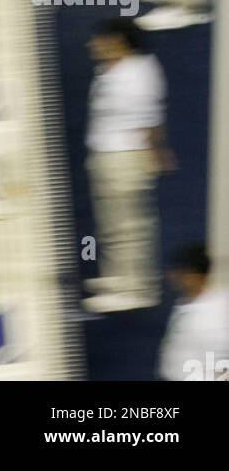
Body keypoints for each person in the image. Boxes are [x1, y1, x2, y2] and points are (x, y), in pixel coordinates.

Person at [82, 19, 170, 314]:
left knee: (130, 227)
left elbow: (151, 120)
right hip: (106, 154)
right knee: (112, 225)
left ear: (118, 41)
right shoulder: (110, 69)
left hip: (126, 157)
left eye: (99, 40)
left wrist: (155, 151)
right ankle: (119, 278)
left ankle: (137, 289)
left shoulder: (139, 74)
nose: (92, 45)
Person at [158, 243, 229, 381]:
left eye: (179, 272)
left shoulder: (215, 316)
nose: (171, 276)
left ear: (194, 276)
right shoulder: (185, 304)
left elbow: (220, 368)